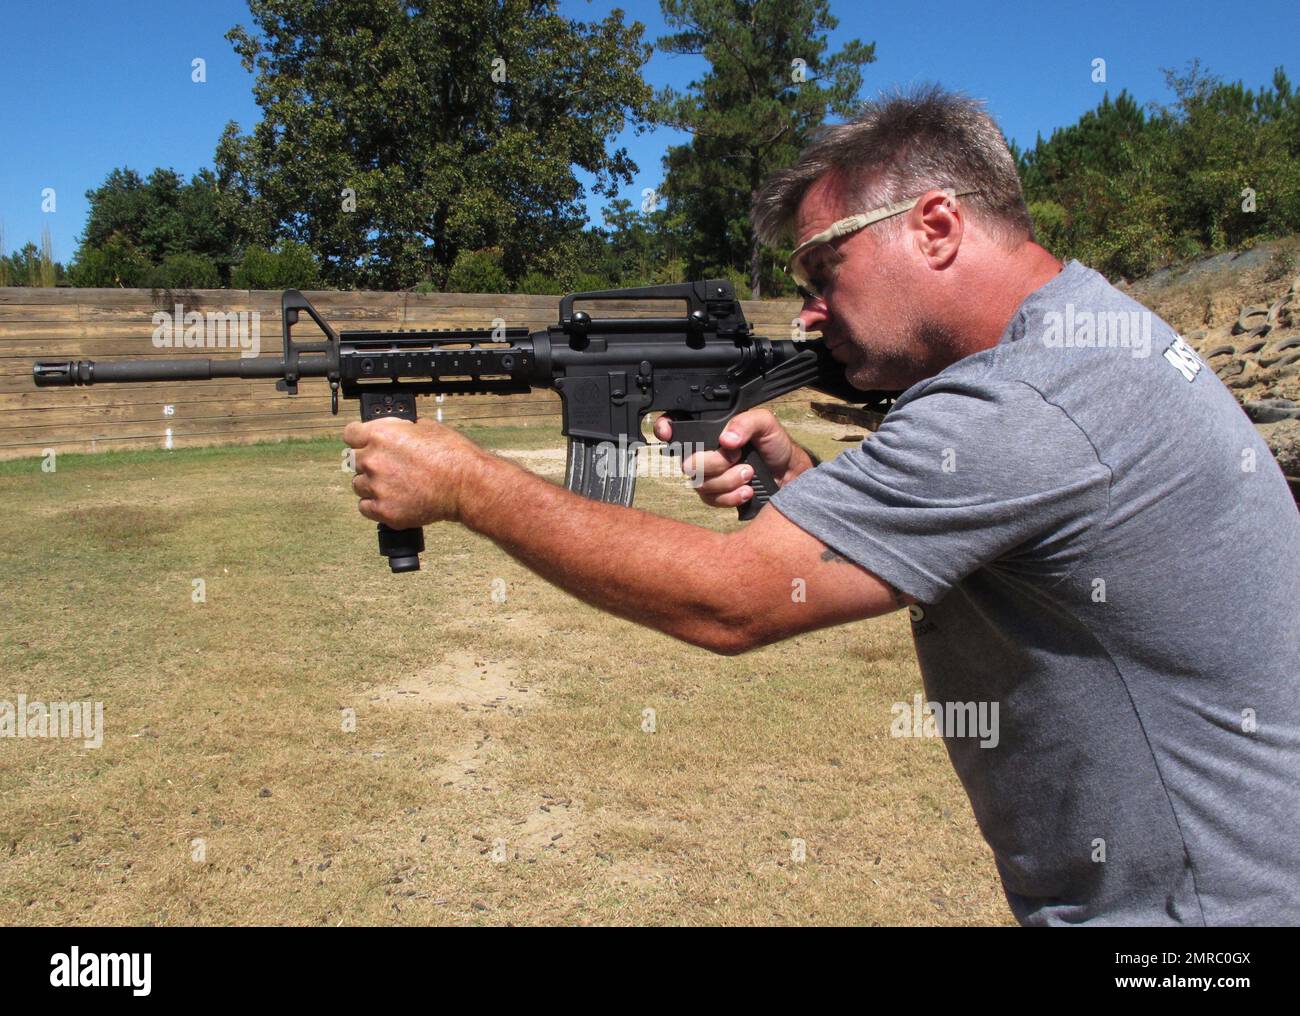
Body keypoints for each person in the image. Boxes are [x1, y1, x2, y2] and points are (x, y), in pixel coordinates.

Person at [344, 86, 1300, 926]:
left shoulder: (1032, 398)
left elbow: (734, 600)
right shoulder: (1085, 343)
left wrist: (470, 485)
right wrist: (802, 481)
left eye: (822, 271)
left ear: (935, 227)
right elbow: (991, 543)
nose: (806, 313)